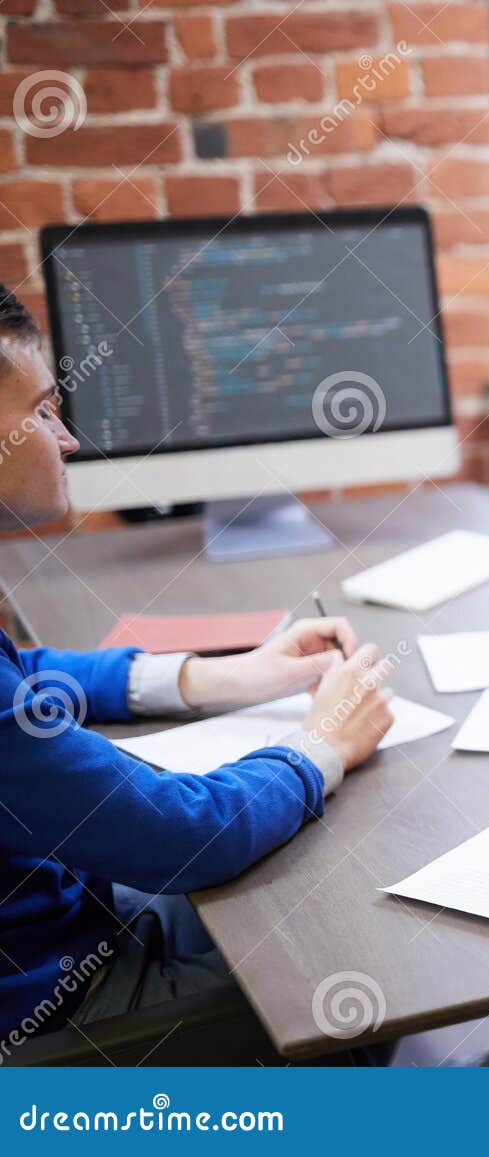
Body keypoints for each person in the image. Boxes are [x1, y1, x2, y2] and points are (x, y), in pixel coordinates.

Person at [0, 283, 397, 1048]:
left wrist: (221, 676)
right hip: (55, 1016)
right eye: (43, 412)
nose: (68, 438)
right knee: (358, 974)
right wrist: (323, 742)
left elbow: (28, 675)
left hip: (69, 921)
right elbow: (186, 835)